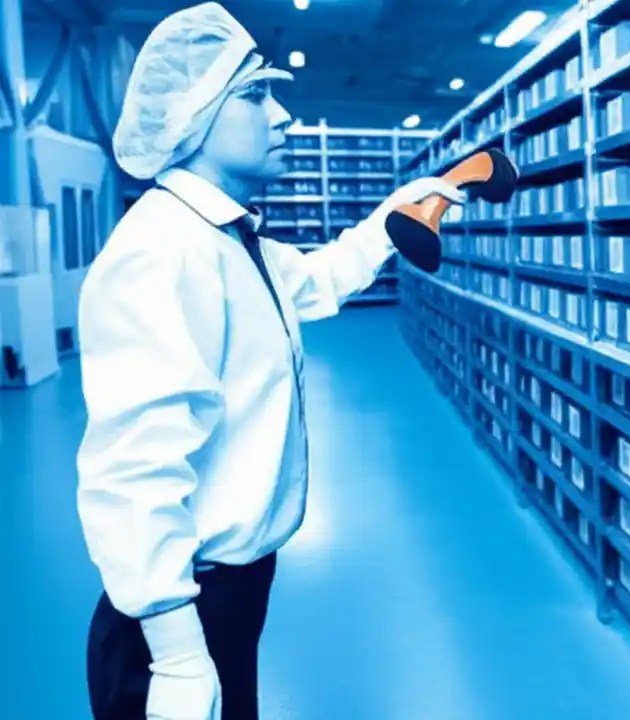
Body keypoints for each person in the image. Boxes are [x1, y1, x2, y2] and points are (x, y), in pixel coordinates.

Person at [75, 3, 463, 719]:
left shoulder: (226, 239)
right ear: (194, 115)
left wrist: (390, 219)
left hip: (230, 593)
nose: (282, 115)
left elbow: (313, 281)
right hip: (176, 620)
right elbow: (134, 471)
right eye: (255, 94)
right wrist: (178, 653)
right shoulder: (162, 253)